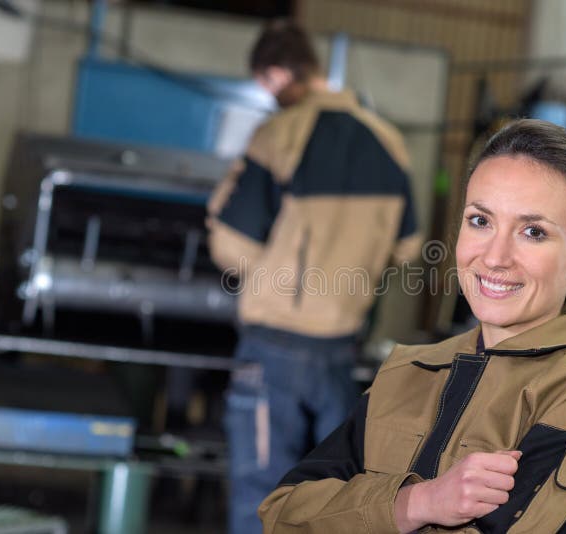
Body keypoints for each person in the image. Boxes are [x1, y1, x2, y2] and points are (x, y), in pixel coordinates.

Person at [258, 119, 566, 533]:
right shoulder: (408, 374)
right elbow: (282, 516)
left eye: (533, 231)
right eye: (480, 221)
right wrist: (417, 502)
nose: (495, 257)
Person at [206, 20, 421, 534]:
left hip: (272, 345)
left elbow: (230, 244)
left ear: (278, 74)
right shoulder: (389, 141)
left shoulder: (280, 133)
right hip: (340, 350)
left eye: (265, 84)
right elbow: (408, 248)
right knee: (335, 503)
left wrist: (274, 277)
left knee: (262, 497)